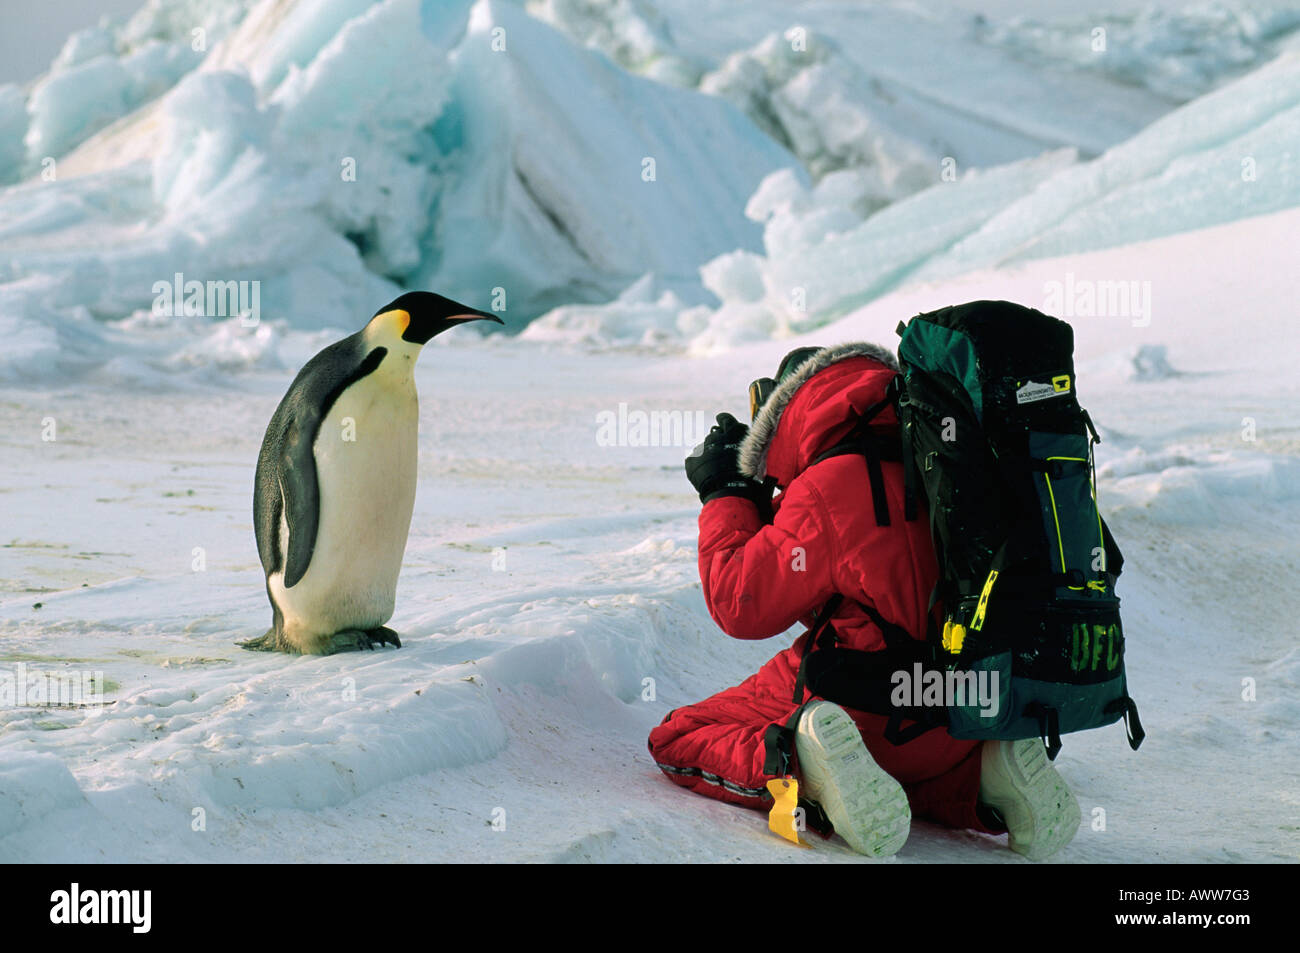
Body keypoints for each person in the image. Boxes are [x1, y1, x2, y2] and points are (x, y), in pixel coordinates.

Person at [647, 342, 1081, 859]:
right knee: (911, 774)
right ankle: (986, 772)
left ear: (790, 411)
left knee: (680, 735)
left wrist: (727, 493)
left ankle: (801, 761)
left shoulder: (830, 486)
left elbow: (740, 604)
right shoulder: (951, 464)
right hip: (965, 712)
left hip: (869, 710)